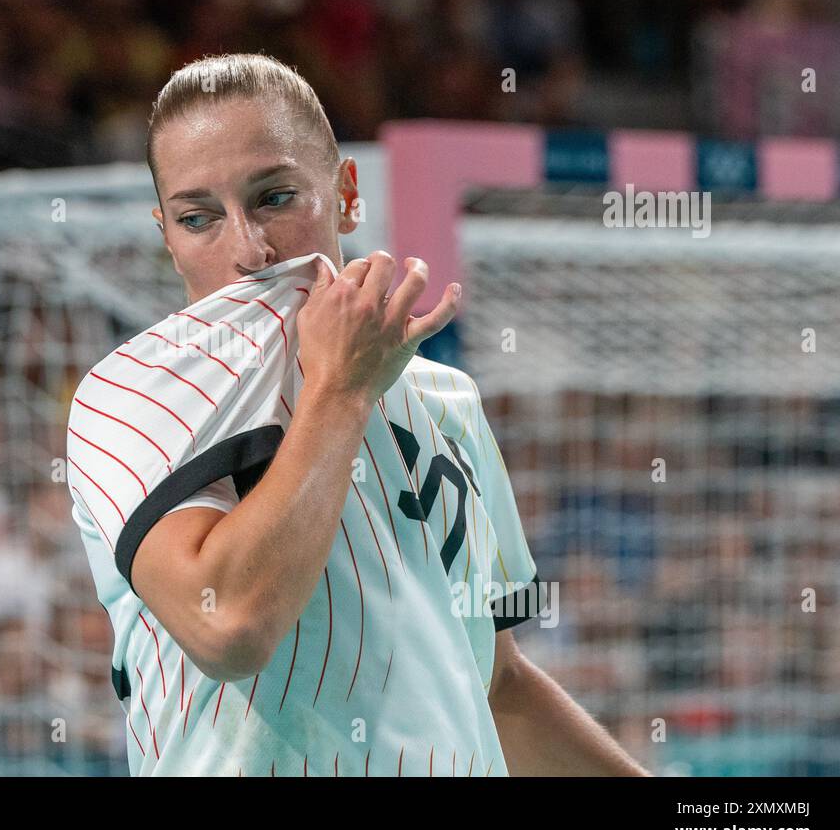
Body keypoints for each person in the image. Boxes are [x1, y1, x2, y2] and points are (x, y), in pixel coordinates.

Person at [65, 53, 648, 776]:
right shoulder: (130, 393)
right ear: (166, 235)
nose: (249, 249)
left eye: (275, 197)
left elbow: (500, 685)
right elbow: (228, 625)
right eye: (198, 218)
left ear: (345, 195)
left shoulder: (448, 403)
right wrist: (340, 390)